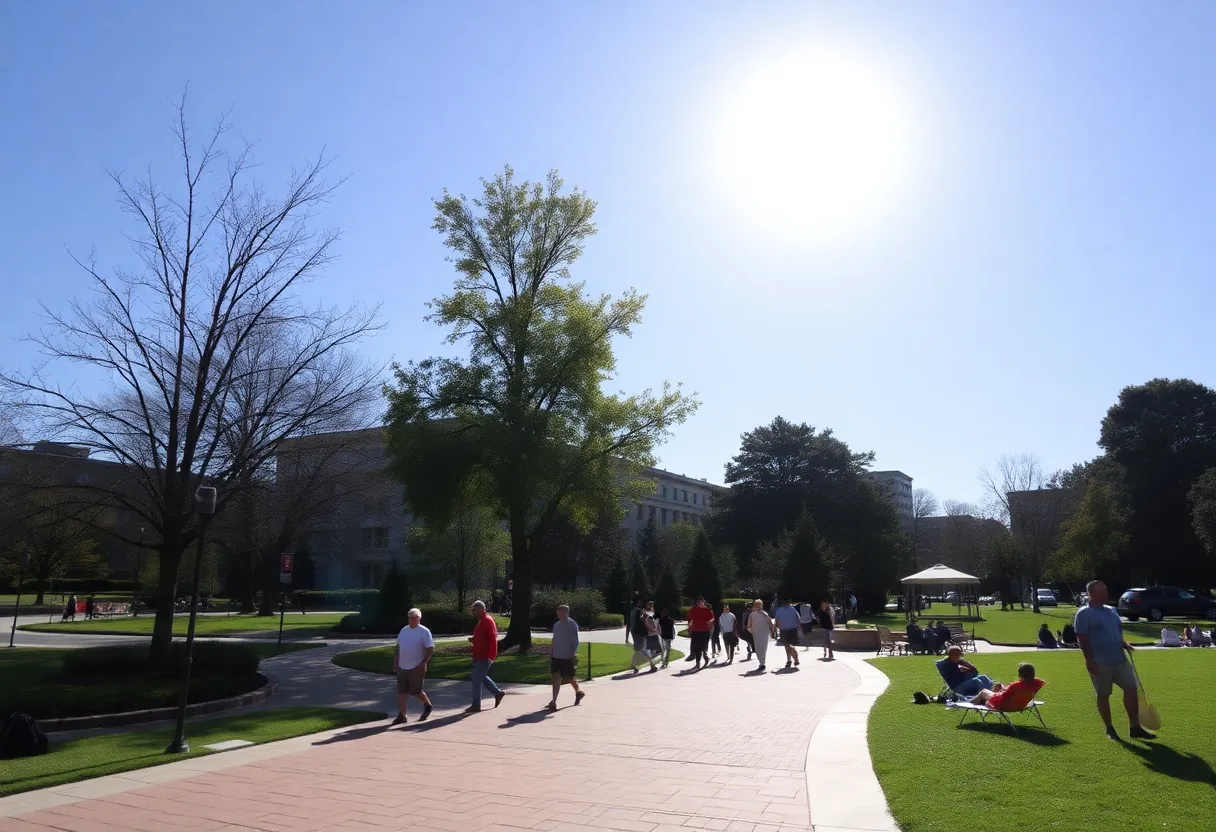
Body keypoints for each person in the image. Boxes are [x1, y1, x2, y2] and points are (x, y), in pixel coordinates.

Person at [1075, 580, 1154, 740]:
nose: (1105, 593)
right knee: (1104, 695)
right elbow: (1082, 639)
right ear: (1091, 594)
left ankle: (1135, 727)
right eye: (1100, 591)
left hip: (1119, 659)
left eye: (1105, 590)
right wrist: (1089, 660)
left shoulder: (1112, 610)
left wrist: (1123, 643)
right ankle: (1110, 729)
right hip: (1099, 661)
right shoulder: (1084, 613)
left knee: (1131, 689)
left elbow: (1116, 632)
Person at [391, 608, 434, 725]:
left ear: (419, 618)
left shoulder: (424, 631)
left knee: (416, 691)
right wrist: (395, 663)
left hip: (416, 667)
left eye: (414, 617)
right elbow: (398, 648)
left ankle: (427, 704)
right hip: (402, 666)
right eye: (410, 617)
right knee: (402, 691)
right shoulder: (404, 630)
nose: (411, 619)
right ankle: (402, 715)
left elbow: (430, 648)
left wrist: (423, 663)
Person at [467, 600, 505, 712]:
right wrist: (474, 640)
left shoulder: (488, 620)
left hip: (484, 656)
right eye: (473, 610)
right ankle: (497, 693)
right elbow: (482, 637)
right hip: (478, 655)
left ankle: (476, 705)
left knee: (476, 678)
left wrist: (491, 656)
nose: (474, 612)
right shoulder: (481, 621)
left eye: (476, 610)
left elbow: (493, 639)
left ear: (482, 609)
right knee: (481, 677)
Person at [547, 604, 585, 711]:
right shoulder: (557, 625)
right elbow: (555, 639)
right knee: (556, 677)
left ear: (566, 612)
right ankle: (554, 701)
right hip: (556, 655)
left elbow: (575, 641)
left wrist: (573, 653)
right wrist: (552, 651)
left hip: (567, 656)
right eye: (557, 612)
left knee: (569, 678)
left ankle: (578, 692)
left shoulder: (572, 624)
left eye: (560, 612)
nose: (558, 613)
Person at [970, 662, 1044, 710]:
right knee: (995, 689)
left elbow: (1003, 695)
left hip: (1004, 705)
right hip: (1021, 704)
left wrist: (1001, 688)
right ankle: (976, 700)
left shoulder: (1015, 685)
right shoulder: (1036, 684)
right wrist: (1002, 687)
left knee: (983, 692)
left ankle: (969, 703)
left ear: (1020, 674)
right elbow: (1008, 692)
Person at [687, 596, 715, 670]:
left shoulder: (707, 609)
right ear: (697, 602)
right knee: (696, 647)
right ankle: (697, 663)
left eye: (701, 601)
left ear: (703, 602)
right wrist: (689, 626)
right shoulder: (694, 609)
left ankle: (705, 656)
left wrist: (710, 622)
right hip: (695, 630)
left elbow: (712, 618)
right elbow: (690, 618)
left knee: (703, 647)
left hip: (705, 631)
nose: (699, 603)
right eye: (698, 601)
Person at [629, 598, 657, 673]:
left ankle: (635, 665)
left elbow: (630, 623)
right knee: (643, 649)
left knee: (641, 649)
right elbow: (642, 621)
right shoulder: (640, 611)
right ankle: (651, 665)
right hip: (640, 633)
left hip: (636, 633)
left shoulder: (633, 611)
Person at [746, 599, 773, 671]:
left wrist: (772, 630)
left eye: (758, 604)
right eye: (756, 604)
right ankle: (761, 662)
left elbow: (770, 623)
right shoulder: (752, 614)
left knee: (763, 648)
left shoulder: (764, 614)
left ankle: (762, 663)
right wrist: (750, 629)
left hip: (764, 634)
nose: (757, 606)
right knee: (758, 648)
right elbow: (749, 625)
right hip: (756, 634)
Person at [774, 599, 802, 668]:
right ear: (789, 603)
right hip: (792, 629)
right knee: (791, 645)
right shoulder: (793, 610)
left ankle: (791, 659)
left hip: (784, 630)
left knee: (787, 646)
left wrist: (777, 628)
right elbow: (799, 619)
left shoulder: (779, 610)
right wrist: (798, 627)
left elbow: (776, 621)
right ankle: (794, 659)